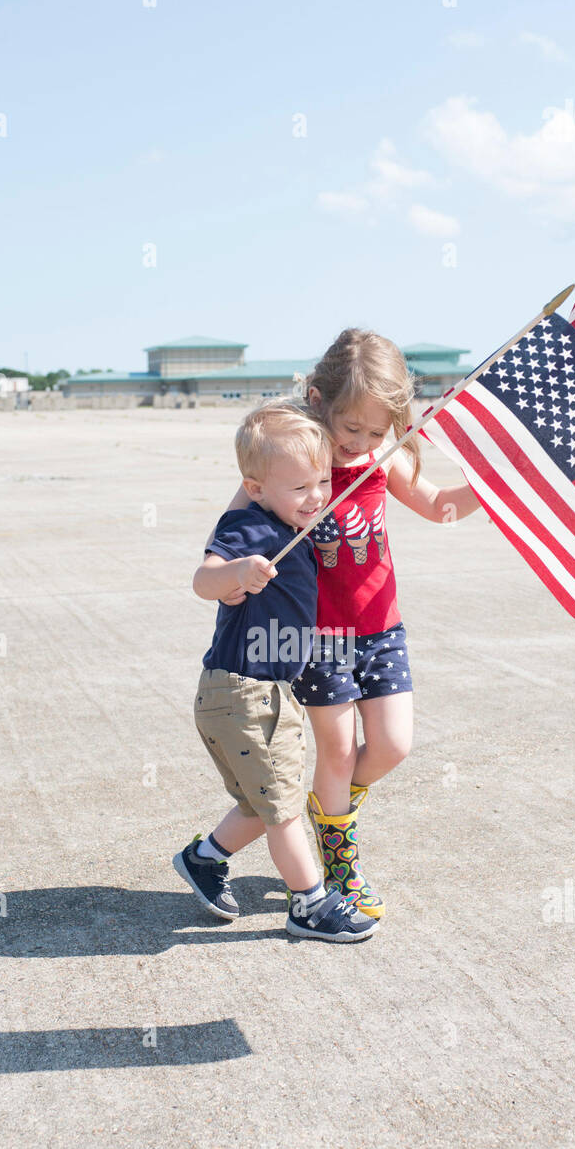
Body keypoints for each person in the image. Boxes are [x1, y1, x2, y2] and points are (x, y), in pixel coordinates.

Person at [212, 330, 481, 918]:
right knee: (335, 752)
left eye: (376, 431)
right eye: (350, 427)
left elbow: (441, 508)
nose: (360, 442)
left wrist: (491, 484)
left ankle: (330, 811)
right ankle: (340, 868)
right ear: (318, 400)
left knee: (391, 745)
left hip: (382, 626)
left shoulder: (387, 459)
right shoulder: (296, 461)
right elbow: (238, 524)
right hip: (320, 636)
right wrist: (235, 575)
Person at [174, 400, 377, 943]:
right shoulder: (251, 527)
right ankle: (309, 905)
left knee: (261, 800)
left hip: (266, 692)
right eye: (300, 488)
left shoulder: (295, 522)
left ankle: (204, 858)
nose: (315, 497)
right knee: (284, 807)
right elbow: (203, 579)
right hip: (241, 692)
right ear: (256, 487)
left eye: (321, 483)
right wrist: (236, 572)